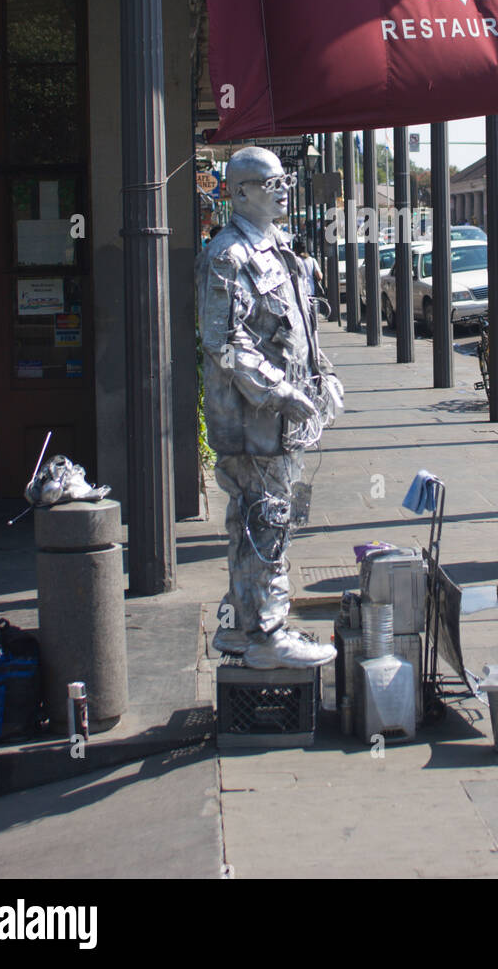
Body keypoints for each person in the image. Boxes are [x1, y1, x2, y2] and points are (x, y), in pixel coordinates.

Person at [195, 146, 344, 668]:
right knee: (268, 519)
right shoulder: (227, 256)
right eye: (270, 182)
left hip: (281, 420)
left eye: (284, 180)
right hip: (253, 421)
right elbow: (224, 343)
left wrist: (320, 373)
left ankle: (244, 624)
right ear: (238, 193)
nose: (283, 188)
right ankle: (267, 633)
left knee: (256, 519)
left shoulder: (279, 247)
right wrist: (281, 390)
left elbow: (299, 322)